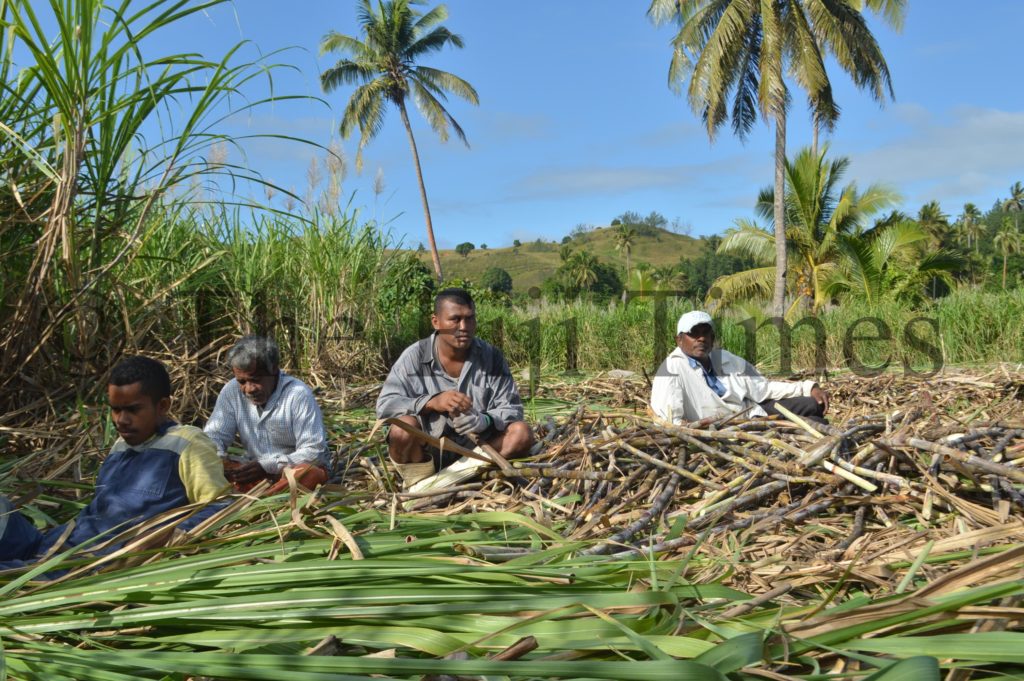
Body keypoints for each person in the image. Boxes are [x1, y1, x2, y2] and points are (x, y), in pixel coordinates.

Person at [0, 356, 228, 567]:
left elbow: (220, 507)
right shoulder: (120, 447)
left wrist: (156, 540)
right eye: (116, 410)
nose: (121, 420)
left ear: (163, 406)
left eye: (132, 409)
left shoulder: (187, 444)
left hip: (89, 563)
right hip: (57, 544)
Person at [377, 288, 534, 489]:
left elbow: (512, 409)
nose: (464, 327)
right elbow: (385, 406)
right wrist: (431, 402)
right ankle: (419, 481)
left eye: (470, 319)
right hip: (427, 452)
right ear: (436, 322)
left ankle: (446, 481)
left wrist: (483, 421)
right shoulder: (414, 357)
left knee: (521, 433)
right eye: (455, 319)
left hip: (477, 452)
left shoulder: (491, 357)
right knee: (401, 429)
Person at [650, 310, 829, 425]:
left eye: (706, 333)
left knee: (813, 405)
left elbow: (763, 388)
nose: (701, 338)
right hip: (726, 428)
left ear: (712, 337)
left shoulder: (725, 358)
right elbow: (668, 420)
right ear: (679, 340)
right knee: (815, 423)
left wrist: (808, 387)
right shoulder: (671, 369)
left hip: (753, 413)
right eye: (693, 334)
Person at [204, 336, 330, 494]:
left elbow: (313, 451)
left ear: (274, 371)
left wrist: (267, 466)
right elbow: (214, 436)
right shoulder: (231, 392)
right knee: (207, 465)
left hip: (290, 470)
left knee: (307, 473)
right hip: (254, 468)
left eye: (255, 380)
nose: (249, 389)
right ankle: (257, 496)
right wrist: (219, 459)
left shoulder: (297, 394)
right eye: (242, 382)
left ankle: (259, 499)